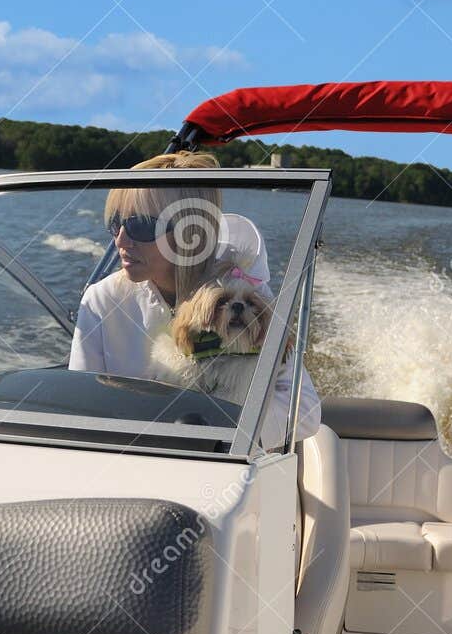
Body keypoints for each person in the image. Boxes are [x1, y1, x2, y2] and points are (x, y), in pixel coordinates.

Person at [69, 150, 320, 447]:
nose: (121, 240)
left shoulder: (247, 297)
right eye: (115, 223)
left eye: (140, 225)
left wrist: (214, 437)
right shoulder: (101, 301)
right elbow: (78, 405)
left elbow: (303, 411)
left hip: (223, 460)